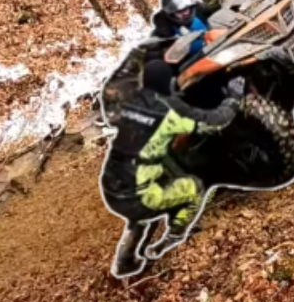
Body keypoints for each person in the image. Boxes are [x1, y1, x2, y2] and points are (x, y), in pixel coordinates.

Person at [100, 59, 244, 278]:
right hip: (137, 195)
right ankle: (172, 239)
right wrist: (233, 98)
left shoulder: (130, 106)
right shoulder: (169, 114)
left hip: (112, 185)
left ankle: (124, 261)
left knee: (146, 203)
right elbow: (215, 122)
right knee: (194, 187)